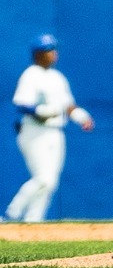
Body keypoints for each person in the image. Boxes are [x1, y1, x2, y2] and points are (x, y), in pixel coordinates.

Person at [8, 35, 92, 222]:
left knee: (51, 181)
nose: (53, 53)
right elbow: (21, 103)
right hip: (35, 131)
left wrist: (81, 117)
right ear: (38, 54)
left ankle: (33, 220)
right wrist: (42, 111)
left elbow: (68, 105)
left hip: (55, 132)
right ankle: (11, 213)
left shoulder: (57, 78)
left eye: (53, 49)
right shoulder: (31, 75)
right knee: (43, 178)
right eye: (48, 50)